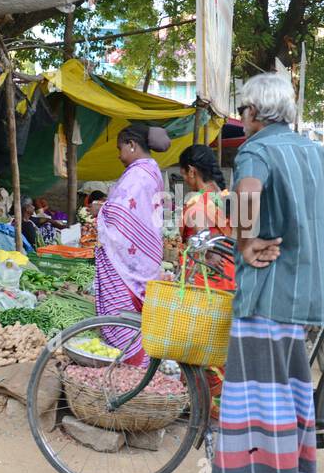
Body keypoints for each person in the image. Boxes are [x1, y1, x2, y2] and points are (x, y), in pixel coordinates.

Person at [210, 72, 324, 473]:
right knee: (294, 397)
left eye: (243, 109)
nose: (242, 117)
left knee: (265, 403)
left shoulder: (256, 149)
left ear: (254, 113)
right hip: (305, 297)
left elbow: (246, 194)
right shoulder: (315, 151)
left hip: (266, 297)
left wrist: (244, 238)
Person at [95, 122, 171, 362]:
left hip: (128, 261)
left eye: (120, 148)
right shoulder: (152, 171)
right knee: (137, 318)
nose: (119, 155)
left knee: (122, 317)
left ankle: (134, 366)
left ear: (132, 144)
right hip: (144, 257)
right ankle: (140, 366)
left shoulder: (138, 174)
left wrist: (101, 209)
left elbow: (120, 213)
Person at [177, 143, 234, 288]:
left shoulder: (197, 201)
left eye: (183, 174)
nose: (184, 179)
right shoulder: (224, 194)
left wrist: (209, 252)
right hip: (228, 272)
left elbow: (202, 236)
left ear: (191, 171)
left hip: (207, 277)